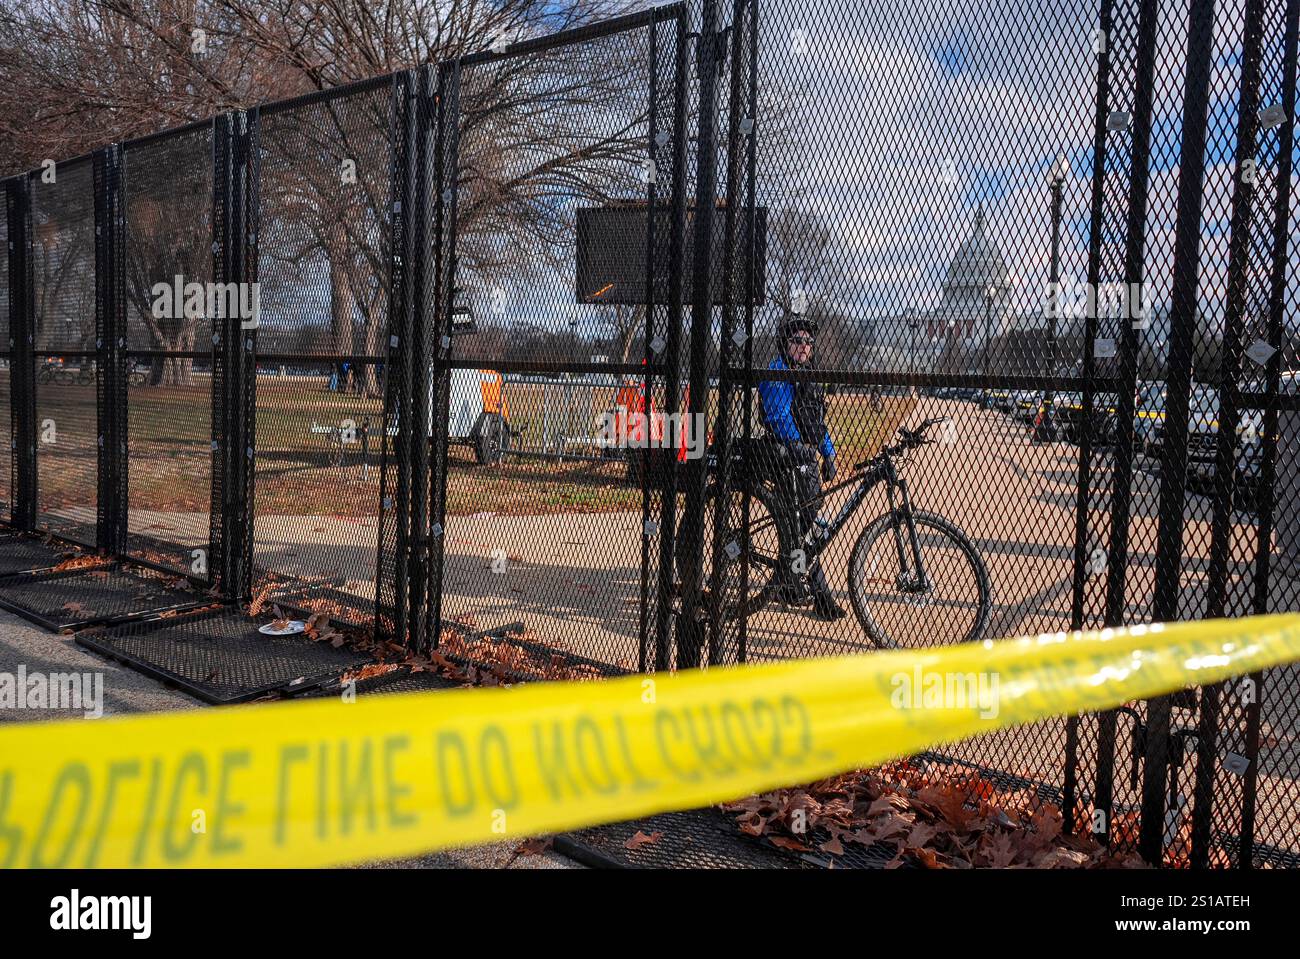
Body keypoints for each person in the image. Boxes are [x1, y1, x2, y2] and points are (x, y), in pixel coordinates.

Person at [757, 316, 847, 621]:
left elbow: (815, 422)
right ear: (786, 343)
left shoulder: (808, 375)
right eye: (797, 340)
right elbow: (779, 416)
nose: (804, 346)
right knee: (804, 526)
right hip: (786, 457)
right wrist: (802, 448)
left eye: (808, 342)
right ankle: (818, 593)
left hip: (804, 457)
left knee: (801, 527)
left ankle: (791, 582)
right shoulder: (778, 371)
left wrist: (828, 453)